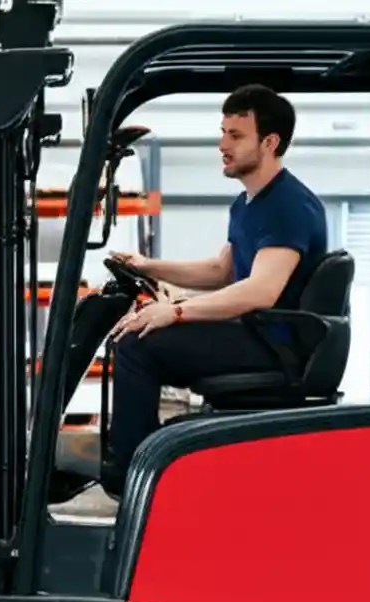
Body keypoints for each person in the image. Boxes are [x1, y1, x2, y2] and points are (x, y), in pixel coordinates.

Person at [102, 84, 328, 493]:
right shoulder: (249, 204)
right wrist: (146, 265)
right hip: (258, 334)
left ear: (270, 141)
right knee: (143, 335)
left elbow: (260, 290)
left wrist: (175, 312)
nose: (222, 144)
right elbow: (221, 270)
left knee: (138, 347)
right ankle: (144, 464)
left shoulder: (287, 206)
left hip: (274, 347)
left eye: (235, 135)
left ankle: (129, 483)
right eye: (223, 132)